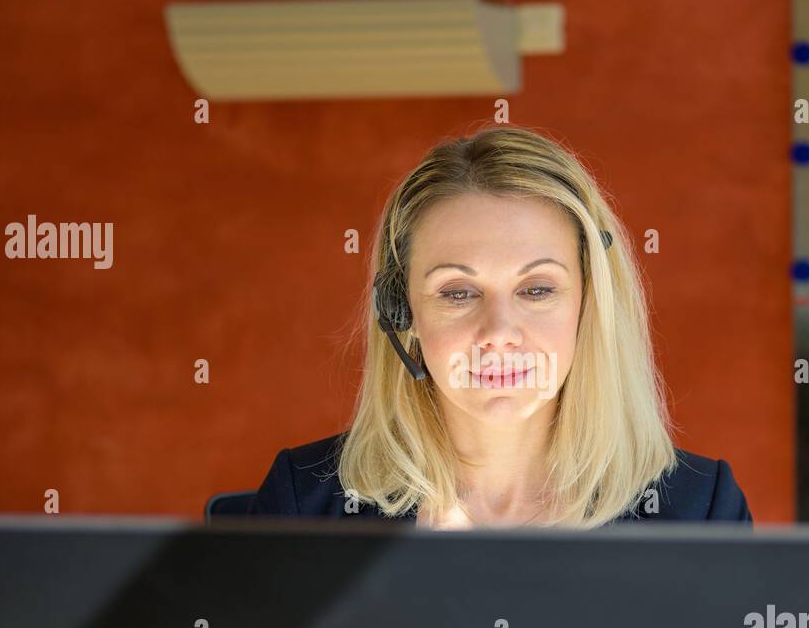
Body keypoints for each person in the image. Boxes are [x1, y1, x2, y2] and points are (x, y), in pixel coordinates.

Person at [248, 124, 751, 529]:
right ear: (402, 313)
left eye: (537, 289)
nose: (499, 331)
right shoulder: (305, 505)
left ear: (590, 303)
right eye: (458, 293)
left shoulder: (699, 509)